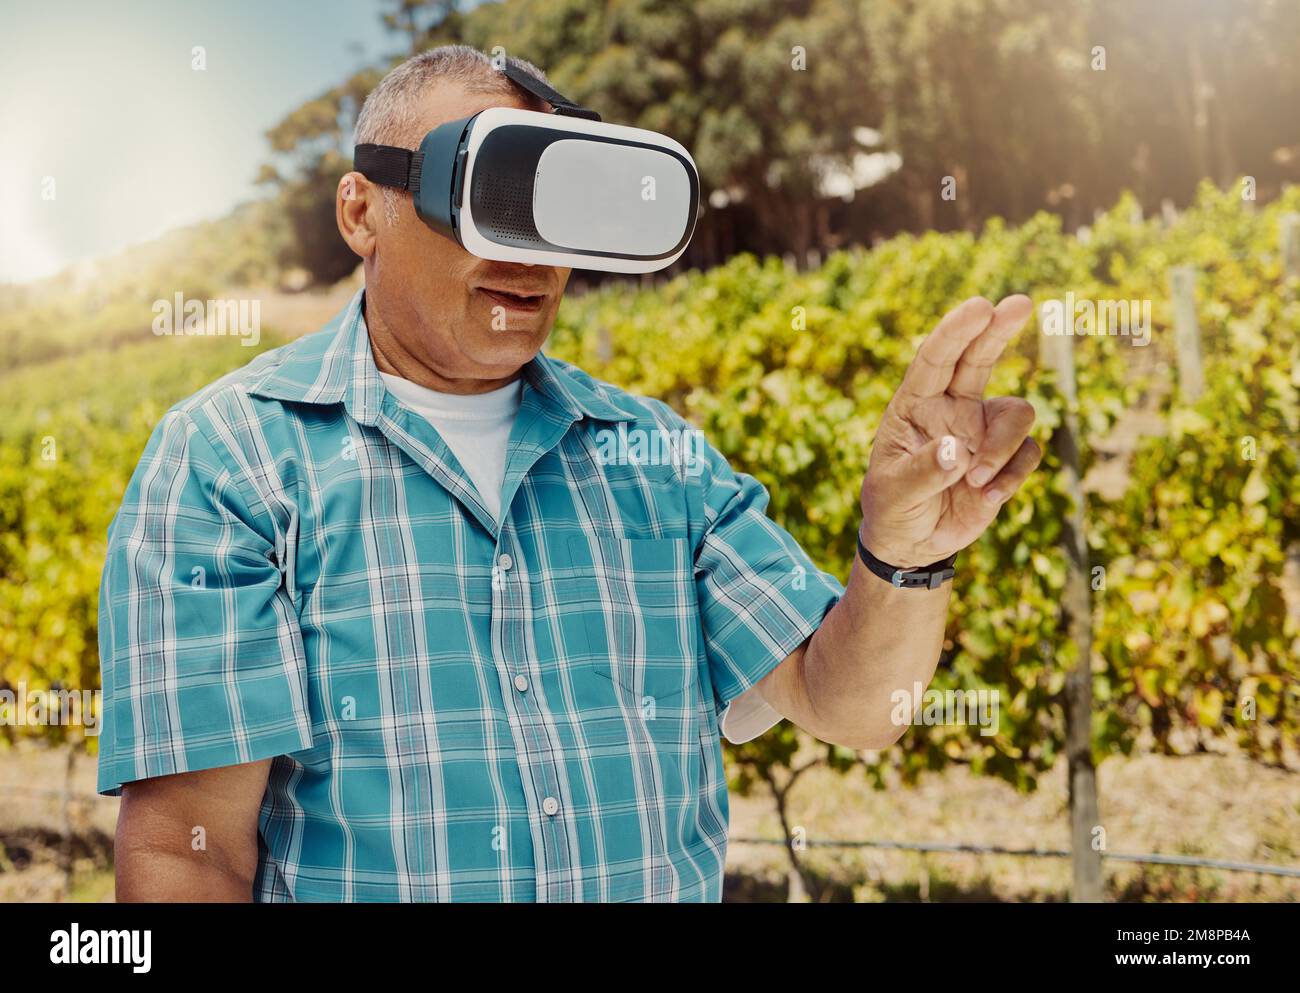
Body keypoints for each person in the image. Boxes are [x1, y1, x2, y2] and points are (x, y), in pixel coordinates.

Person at [99, 45, 1040, 902]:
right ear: (361, 211)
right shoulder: (232, 459)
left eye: (555, 211)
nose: (528, 254)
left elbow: (852, 704)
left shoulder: (655, 454)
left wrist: (902, 556)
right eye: (489, 197)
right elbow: (190, 852)